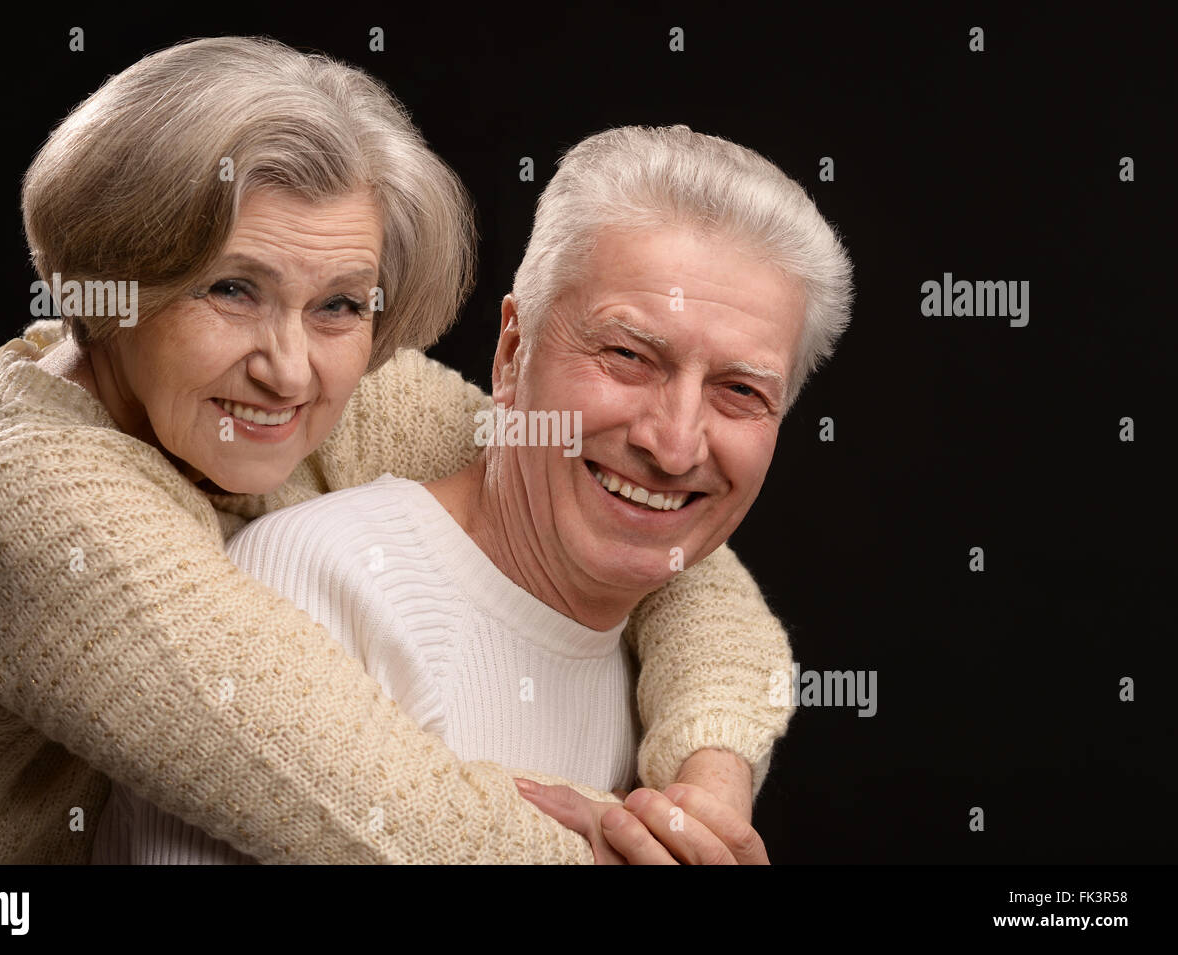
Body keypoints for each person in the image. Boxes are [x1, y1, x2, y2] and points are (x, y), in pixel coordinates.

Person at [0, 37, 793, 865]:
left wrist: (709, 777)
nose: (288, 369)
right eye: (231, 289)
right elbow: (380, 810)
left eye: (342, 303)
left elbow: (647, 515)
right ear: (118, 279)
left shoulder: (322, 377)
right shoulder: (28, 492)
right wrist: (655, 847)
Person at [98, 125, 853, 865]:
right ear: (512, 353)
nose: (675, 443)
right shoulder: (319, 584)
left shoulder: (667, 679)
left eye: (741, 390)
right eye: (627, 355)